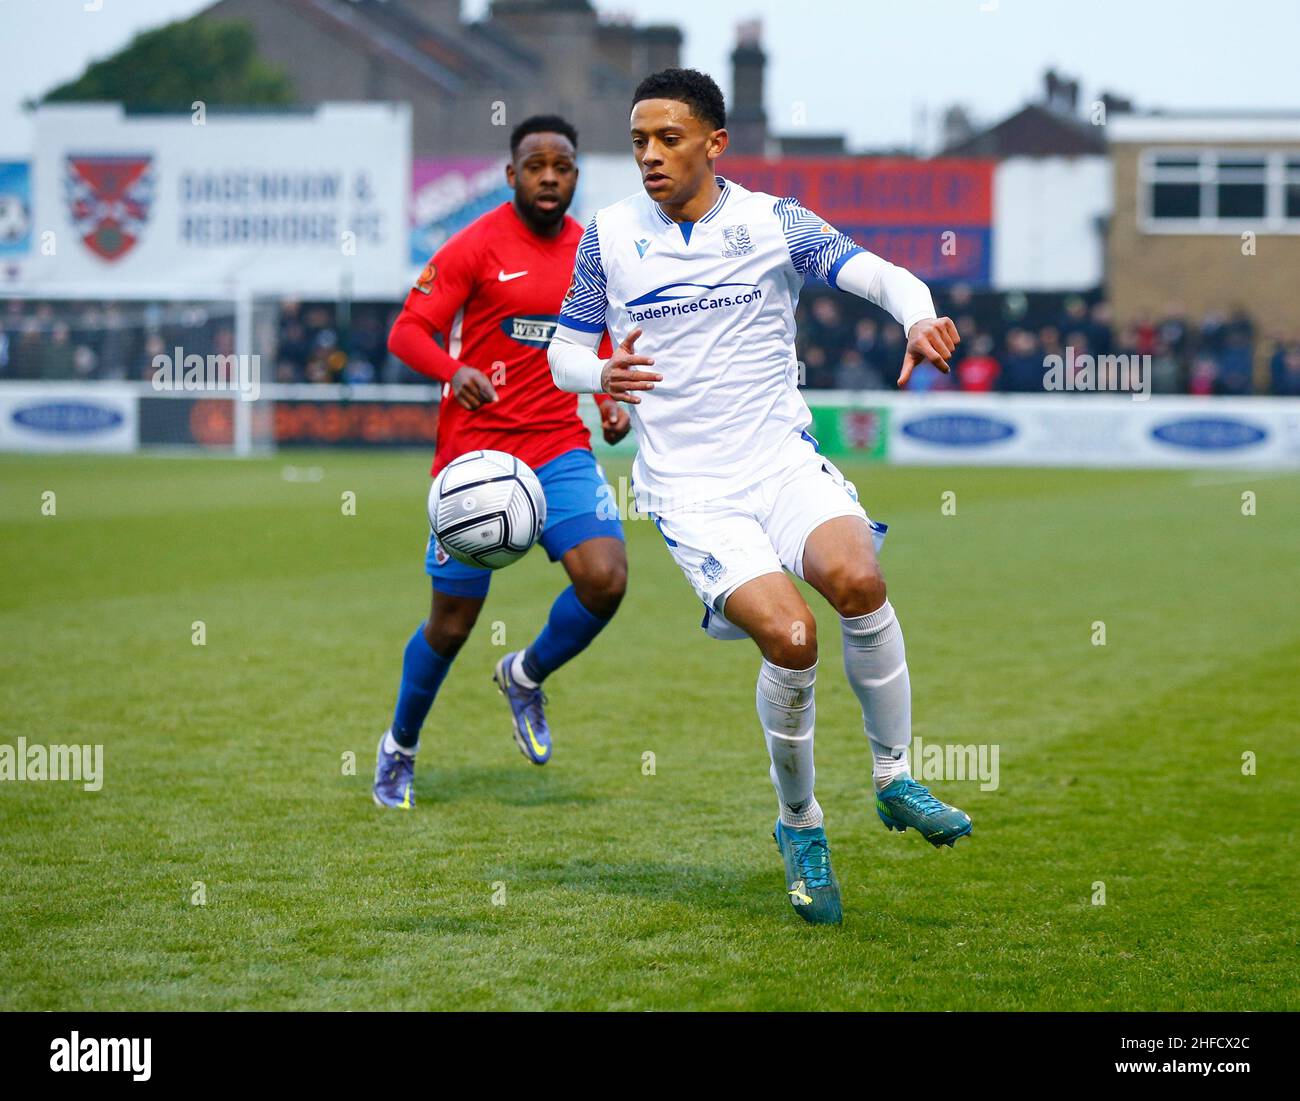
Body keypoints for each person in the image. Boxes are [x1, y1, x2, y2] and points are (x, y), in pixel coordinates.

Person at [548, 69, 971, 925]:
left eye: (669, 138)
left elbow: (875, 272)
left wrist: (917, 316)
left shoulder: (772, 222)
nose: (651, 156)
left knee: (859, 581)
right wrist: (601, 373)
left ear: (715, 143)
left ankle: (893, 777)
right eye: (638, 141)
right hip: (691, 489)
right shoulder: (609, 237)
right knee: (791, 636)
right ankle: (800, 822)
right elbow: (562, 349)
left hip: (781, 460)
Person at [375, 114, 631, 809]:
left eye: (564, 165)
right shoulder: (476, 245)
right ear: (511, 174)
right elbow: (407, 330)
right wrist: (453, 369)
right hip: (476, 462)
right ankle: (399, 747)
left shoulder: (592, 253)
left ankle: (525, 673)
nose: (550, 176)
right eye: (536, 164)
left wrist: (608, 395)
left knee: (605, 578)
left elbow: (598, 343)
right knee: (451, 625)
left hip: (557, 447)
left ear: (576, 176)